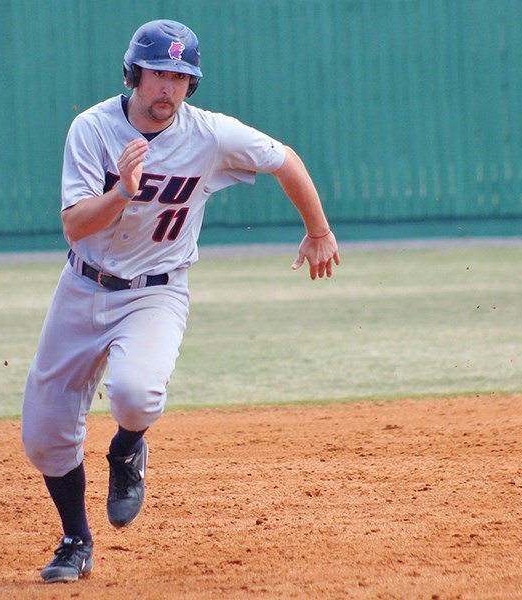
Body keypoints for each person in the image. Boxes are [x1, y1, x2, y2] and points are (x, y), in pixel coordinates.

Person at [21, 19, 340, 583]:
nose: (168, 87)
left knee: (137, 396)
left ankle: (127, 450)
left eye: (180, 76)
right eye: (157, 74)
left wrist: (317, 229)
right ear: (134, 74)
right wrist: (122, 191)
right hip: (81, 286)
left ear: (192, 83)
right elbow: (73, 226)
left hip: (156, 291)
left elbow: (283, 158)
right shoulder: (91, 129)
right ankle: (75, 540)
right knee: (44, 437)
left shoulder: (210, 134)